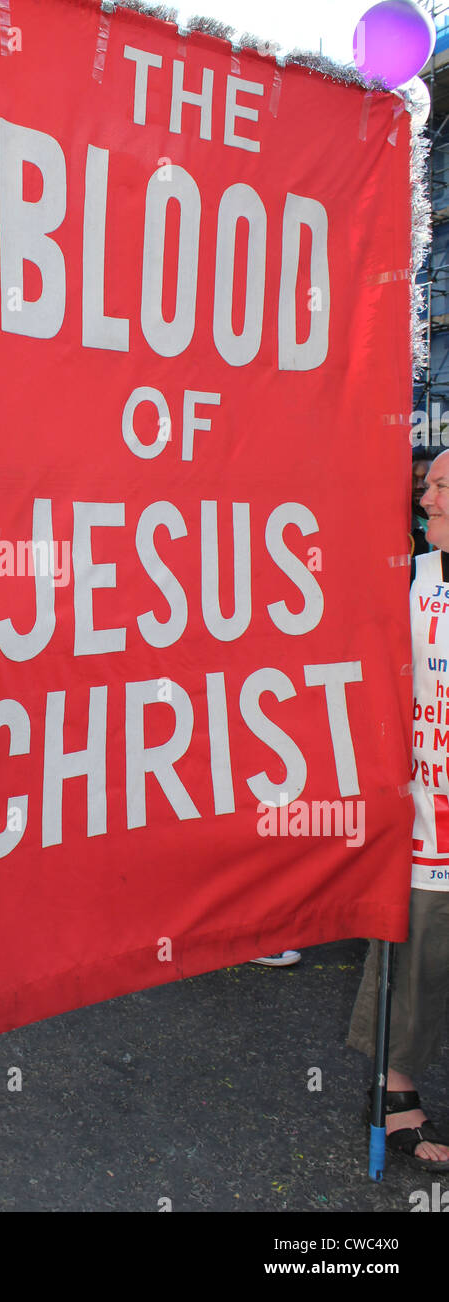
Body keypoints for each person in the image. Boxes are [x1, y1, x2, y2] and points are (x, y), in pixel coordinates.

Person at [347, 449, 449, 1169]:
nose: (429, 498)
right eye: (428, 486)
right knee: (416, 954)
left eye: (443, 486)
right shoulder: (410, 583)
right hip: (424, 810)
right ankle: (395, 1093)